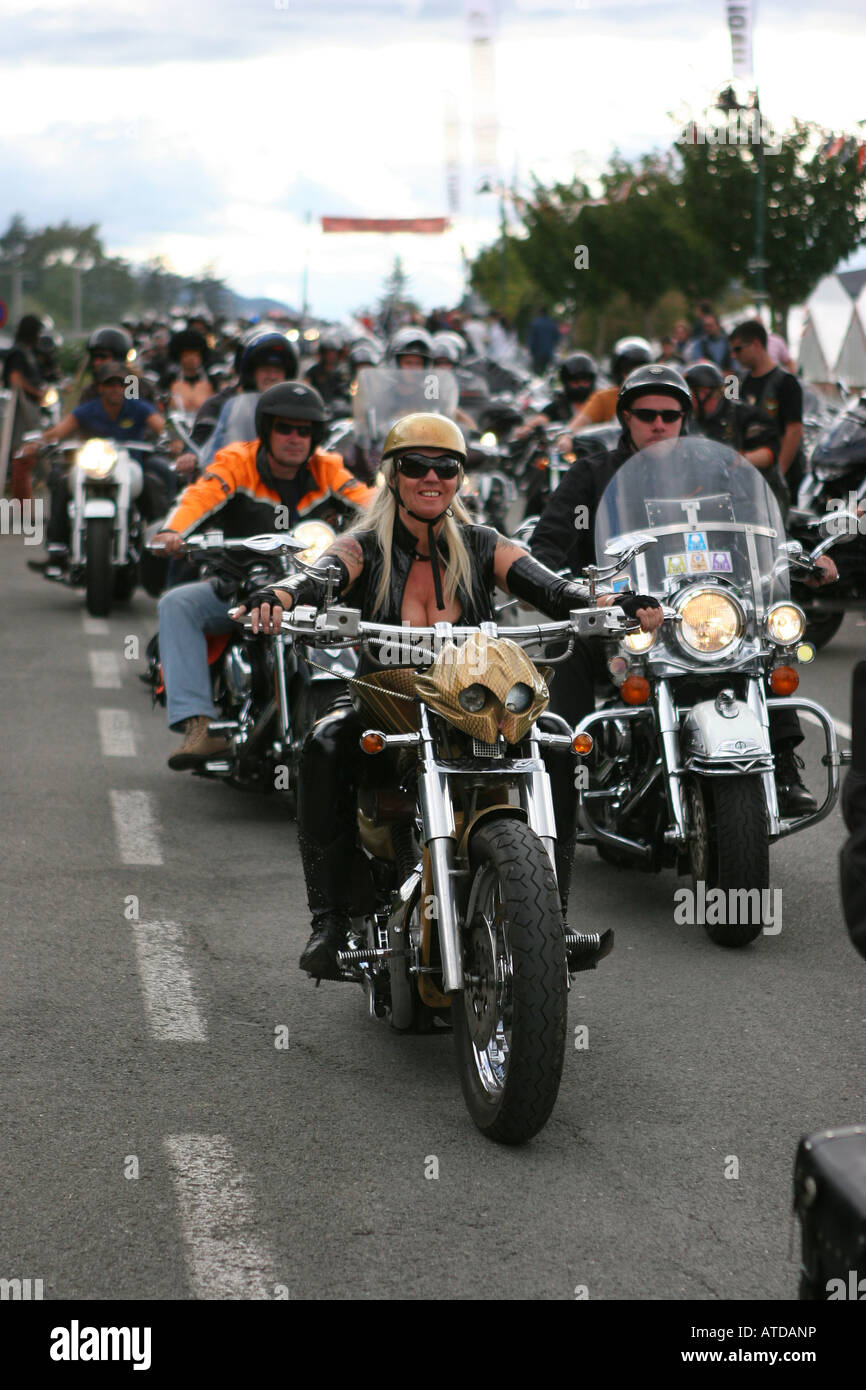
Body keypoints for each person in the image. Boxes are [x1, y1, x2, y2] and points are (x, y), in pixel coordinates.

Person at [237, 412, 662, 978]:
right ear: (392, 474)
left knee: (558, 740)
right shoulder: (365, 546)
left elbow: (555, 592)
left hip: (475, 707)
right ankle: (332, 921)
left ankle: (551, 924)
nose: (431, 477)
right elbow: (321, 576)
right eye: (415, 465)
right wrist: (283, 595)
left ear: (461, 476)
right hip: (389, 703)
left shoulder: (484, 545)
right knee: (324, 742)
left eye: (446, 467)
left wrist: (616, 604)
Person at [531, 363, 837, 817]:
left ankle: (785, 769)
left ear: (683, 419)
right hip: (624, 619)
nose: (659, 423)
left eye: (669, 415)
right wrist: (570, 583)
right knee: (568, 651)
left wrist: (808, 553)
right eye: (646, 414)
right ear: (625, 418)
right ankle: (569, 778)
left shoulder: (717, 471)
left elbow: (767, 522)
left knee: (765, 642)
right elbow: (545, 548)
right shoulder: (592, 476)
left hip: (701, 611)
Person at [151, 382, 375, 770]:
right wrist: (175, 531)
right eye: (284, 428)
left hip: (310, 584)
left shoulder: (328, 469)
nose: (294, 438)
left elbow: (373, 504)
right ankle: (199, 726)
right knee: (178, 604)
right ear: (266, 430)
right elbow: (201, 496)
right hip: (241, 582)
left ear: (315, 436)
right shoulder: (236, 462)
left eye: (304, 431)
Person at [22, 361, 168, 577]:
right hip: (94, 466)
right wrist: (38, 443)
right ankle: (57, 548)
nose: (115, 389)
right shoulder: (87, 410)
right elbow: (58, 432)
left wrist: (171, 439)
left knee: (152, 485)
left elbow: (162, 426)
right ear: (100, 388)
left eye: (119, 384)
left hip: (129, 466)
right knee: (63, 482)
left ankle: (159, 548)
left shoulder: (138, 407)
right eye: (109, 384)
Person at [684, 361, 789, 515]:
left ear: (703, 392)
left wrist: (736, 460)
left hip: (756, 501)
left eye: (689, 394)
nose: (687, 401)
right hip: (711, 501)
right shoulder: (689, 422)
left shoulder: (744, 415)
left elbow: (769, 453)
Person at [729, 319, 804, 491]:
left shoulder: (786, 382)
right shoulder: (739, 383)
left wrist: (779, 474)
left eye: (738, 349)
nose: (734, 355)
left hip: (778, 477)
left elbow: (794, 431)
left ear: (756, 344)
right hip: (749, 475)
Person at [3, 314, 45, 499]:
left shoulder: (29, 352)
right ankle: (22, 508)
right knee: (22, 456)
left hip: (30, 408)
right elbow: (15, 380)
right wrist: (36, 393)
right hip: (20, 409)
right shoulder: (18, 353)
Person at [572, 337, 652, 430]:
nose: (633, 376)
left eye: (640, 371)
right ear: (618, 372)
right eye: (628, 371)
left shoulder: (660, 398)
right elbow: (576, 426)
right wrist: (566, 438)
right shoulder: (604, 399)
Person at [515, 353, 597, 438]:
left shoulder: (599, 405)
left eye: (585, 382)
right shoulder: (559, 406)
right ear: (566, 382)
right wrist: (528, 428)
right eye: (575, 382)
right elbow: (543, 418)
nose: (580, 386)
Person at [167, 329, 214, 414]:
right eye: (187, 354)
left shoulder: (213, 382)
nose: (191, 358)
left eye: (195, 354)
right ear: (179, 356)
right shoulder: (168, 381)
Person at [304, 333, 350, 404]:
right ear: (322, 354)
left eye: (333, 353)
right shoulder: (313, 371)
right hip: (319, 406)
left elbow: (348, 391)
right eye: (328, 353)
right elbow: (306, 388)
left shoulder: (342, 372)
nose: (331, 356)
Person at [685, 304, 733, 372]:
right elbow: (696, 363)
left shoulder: (728, 342)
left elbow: (735, 364)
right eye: (705, 326)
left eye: (710, 326)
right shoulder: (700, 344)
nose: (707, 329)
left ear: (717, 325)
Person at [527, 307, 559, 375]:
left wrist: (531, 351)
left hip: (537, 353)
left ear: (540, 313)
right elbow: (557, 337)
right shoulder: (552, 324)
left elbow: (532, 339)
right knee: (547, 373)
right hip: (548, 353)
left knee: (537, 373)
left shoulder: (535, 323)